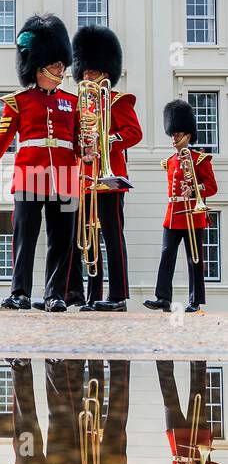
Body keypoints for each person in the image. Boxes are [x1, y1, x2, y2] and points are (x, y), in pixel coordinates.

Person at [0, 14, 82, 313]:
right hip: (30, 173)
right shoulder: (19, 101)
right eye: (55, 65)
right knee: (24, 236)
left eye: (62, 65)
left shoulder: (72, 101)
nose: (61, 70)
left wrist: (88, 147)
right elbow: (2, 137)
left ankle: (55, 295)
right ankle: (20, 291)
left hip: (64, 174)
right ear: (38, 67)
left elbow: (77, 142)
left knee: (61, 240)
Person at [72, 25, 141, 312]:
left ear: (105, 70)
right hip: (86, 178)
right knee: (89, 239)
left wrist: (107, 138)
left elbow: (134, 133)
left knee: (112, 235)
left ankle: (119, 295)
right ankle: (93, 295)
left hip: (111, 178)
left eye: (92, 69)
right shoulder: (81, 106)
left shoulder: (117, 101)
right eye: (84, 70)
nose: (86, 75)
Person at [145, 99, 218, 313]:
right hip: (173, 214)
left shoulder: (200, 159)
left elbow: (212, 187)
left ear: (187, 134)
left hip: (193, 215)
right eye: (173, 134)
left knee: (194, 258)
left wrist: (194, 191)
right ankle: (163, 298)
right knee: (167, 255)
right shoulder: (169, 161)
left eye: (177, 134)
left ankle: (194, 301)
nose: (174, 138)